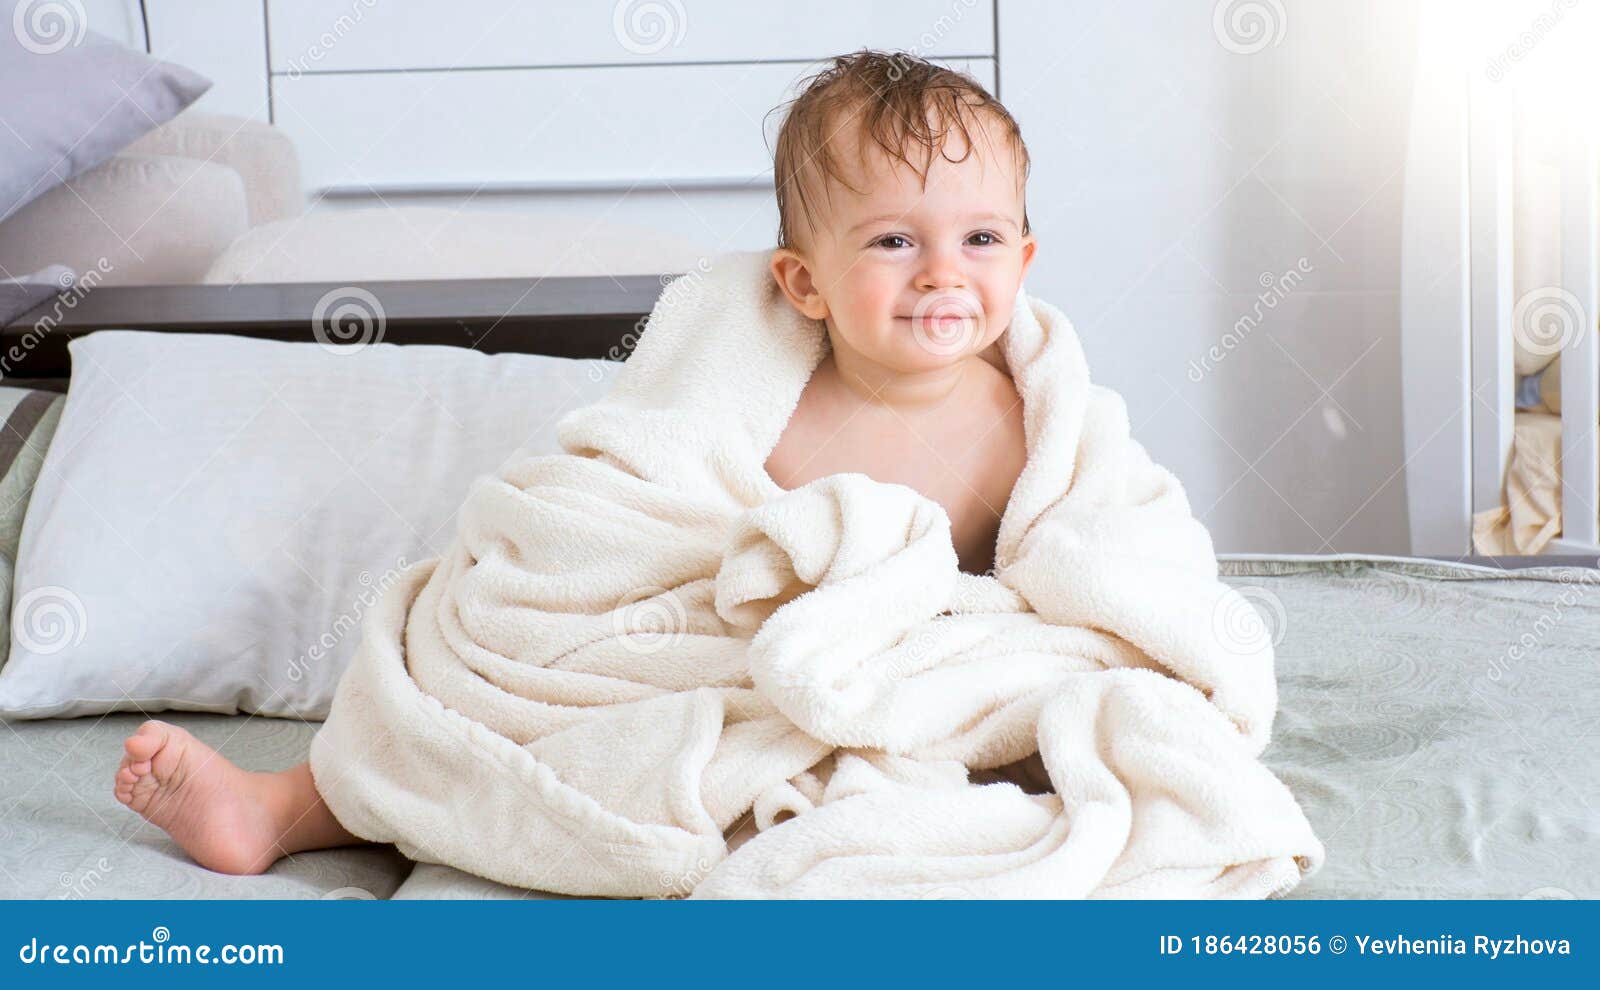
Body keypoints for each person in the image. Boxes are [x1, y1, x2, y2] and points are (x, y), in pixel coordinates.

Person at [113, 49, 1038, 876]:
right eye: (893, 241)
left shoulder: (1030, 417)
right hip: (692, 654)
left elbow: (1095, 572)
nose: (942, 273)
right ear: (804, 281)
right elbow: (610, 523)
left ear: (1023, 258)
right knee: (502, 685)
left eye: (981, 239)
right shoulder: (746, 391)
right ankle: (283, 810)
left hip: (870, 689)